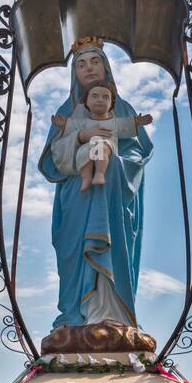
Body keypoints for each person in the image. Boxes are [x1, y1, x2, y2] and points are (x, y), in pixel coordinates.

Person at [38, 40, 154, 332]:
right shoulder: (68, 111)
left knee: (112, 249)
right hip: (77, 193)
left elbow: (138, 150)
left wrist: (116, 163)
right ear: (74, 73)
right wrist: (81, 136)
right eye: (81, 63)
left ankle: (114, 317)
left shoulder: (121, 108)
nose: (89, 68)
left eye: (95, 62)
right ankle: (75, 319)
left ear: (106, 67)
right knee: (75, 253)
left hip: (114, 192)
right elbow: (54, 159)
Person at [52, 80, 152, 192]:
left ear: (111, 104)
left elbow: (127, 124)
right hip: (88, 147)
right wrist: (63, 123)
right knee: (82, 154)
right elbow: (72, 125)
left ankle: (100, 173)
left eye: (105, 97)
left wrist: (138, 121)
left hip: (107, 146)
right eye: (94, 96)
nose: (100, 100)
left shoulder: (115, 122)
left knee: (101, 148)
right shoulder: (84, 123)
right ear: (86, 102)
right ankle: (86, 177)